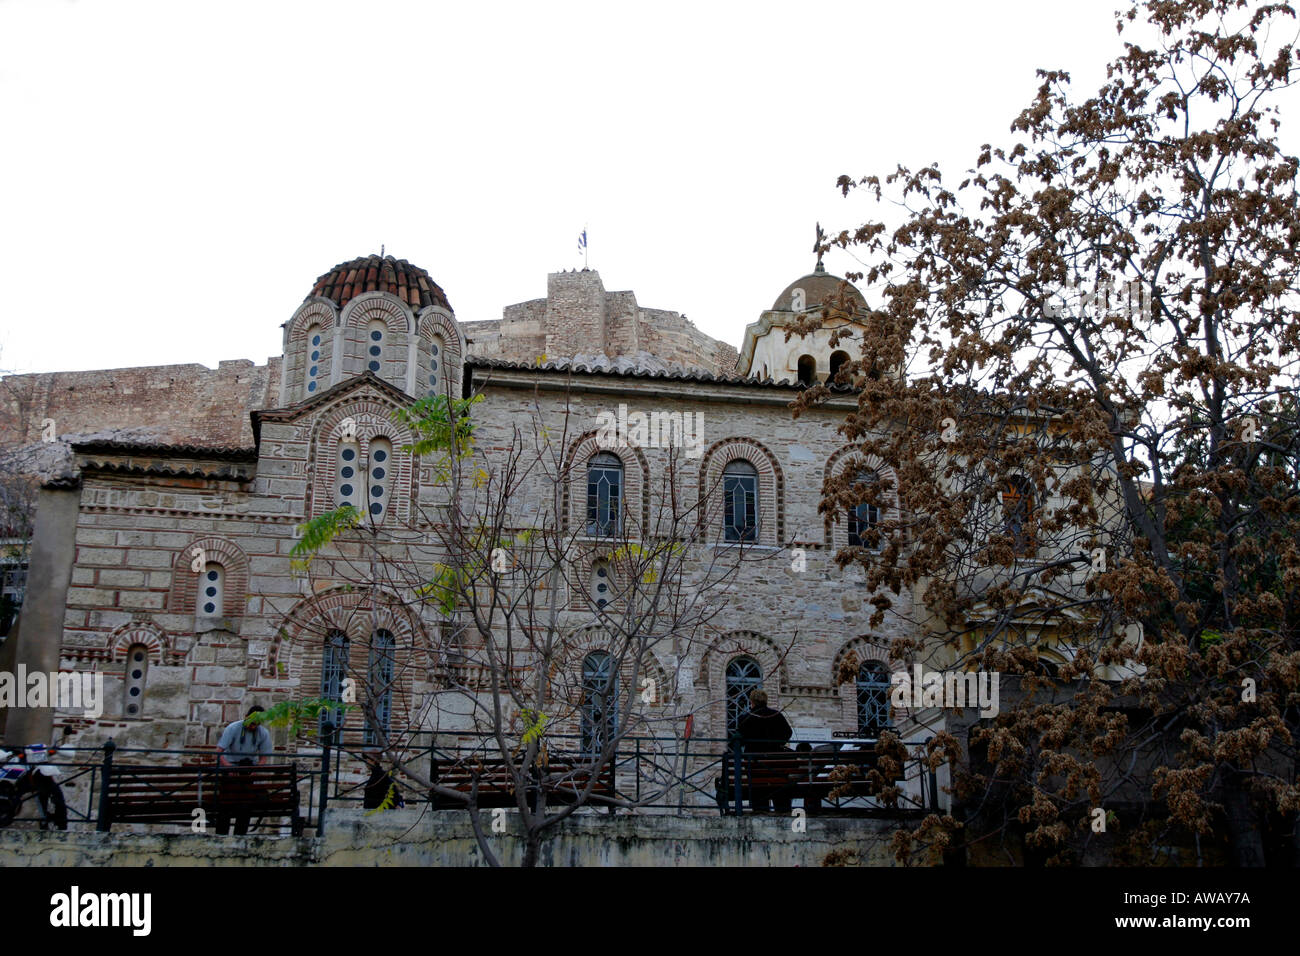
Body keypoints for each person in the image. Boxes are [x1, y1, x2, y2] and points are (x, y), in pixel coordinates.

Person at [215, 705, 273, 835]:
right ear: (246, 717)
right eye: (252, 723)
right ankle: (222, 834)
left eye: (256, 724)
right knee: (226, 806)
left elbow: (264, 757)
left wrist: (255, 769)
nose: (253, 727)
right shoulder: (233, 728)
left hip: (247, 772)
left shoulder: (263, 733)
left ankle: (240, 835)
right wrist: (228, 767)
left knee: (245, 806)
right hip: (230, 771)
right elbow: (219, 753)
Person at [737, 689, 793, 813]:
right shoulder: (776, 715)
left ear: (751, 702)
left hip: (755, 765)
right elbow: (788, 732)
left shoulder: (746, 718)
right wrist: (776, 744)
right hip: (776, 765)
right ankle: (783, 813)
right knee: (780, 790)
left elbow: (738, 739)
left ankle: (761, 814)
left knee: (758, 793)